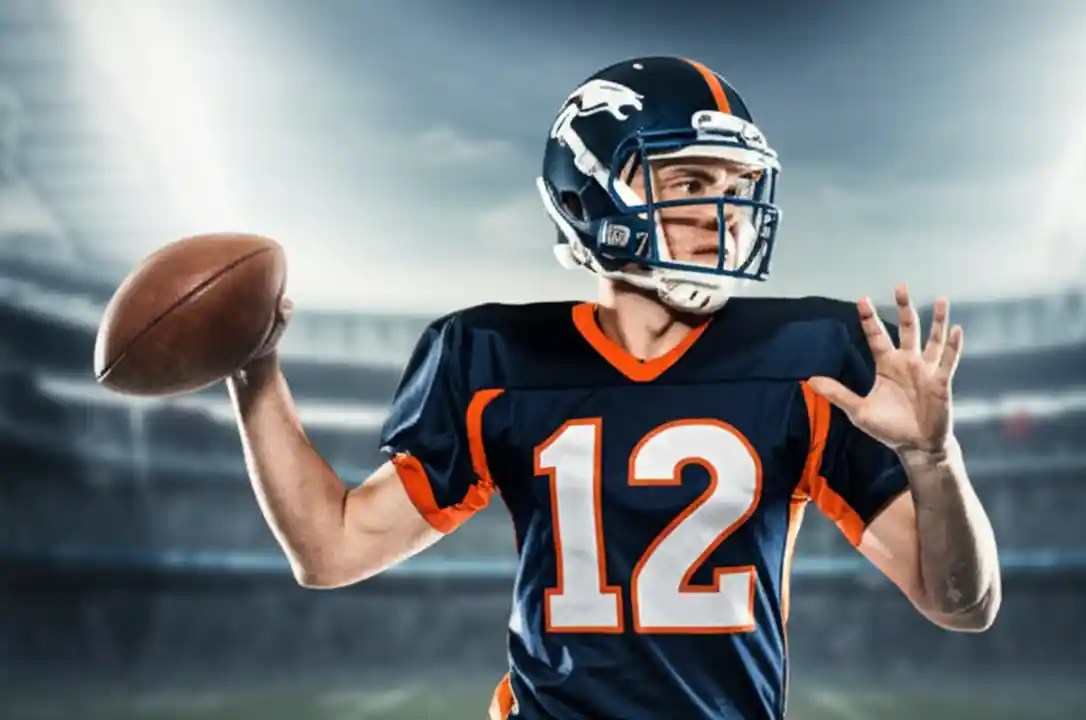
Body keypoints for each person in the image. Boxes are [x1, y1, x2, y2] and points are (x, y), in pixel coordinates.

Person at [229, 56, 1001, 720]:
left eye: (739, 183)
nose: (725, 213)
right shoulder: (493, 355)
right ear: (587, 195)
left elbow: (961, 604)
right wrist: (254, 372)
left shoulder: (813, 359)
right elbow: (331, 551)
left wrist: (935, 460)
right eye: (691, 179)